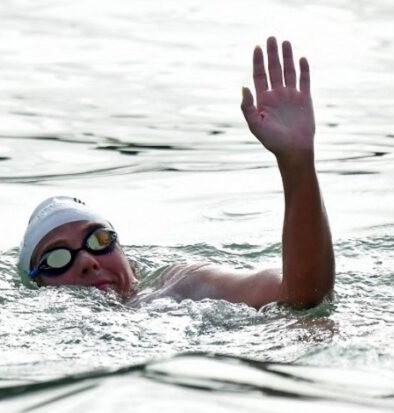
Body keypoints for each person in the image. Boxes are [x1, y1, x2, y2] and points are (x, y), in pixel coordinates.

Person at [17, 37, 334, 310]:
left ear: (128, 257)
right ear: (36, 287)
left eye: (99, 240)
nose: (87, 260)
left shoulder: (181, 285)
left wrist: (296, 163)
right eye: (57, 258)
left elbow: (300, 295)